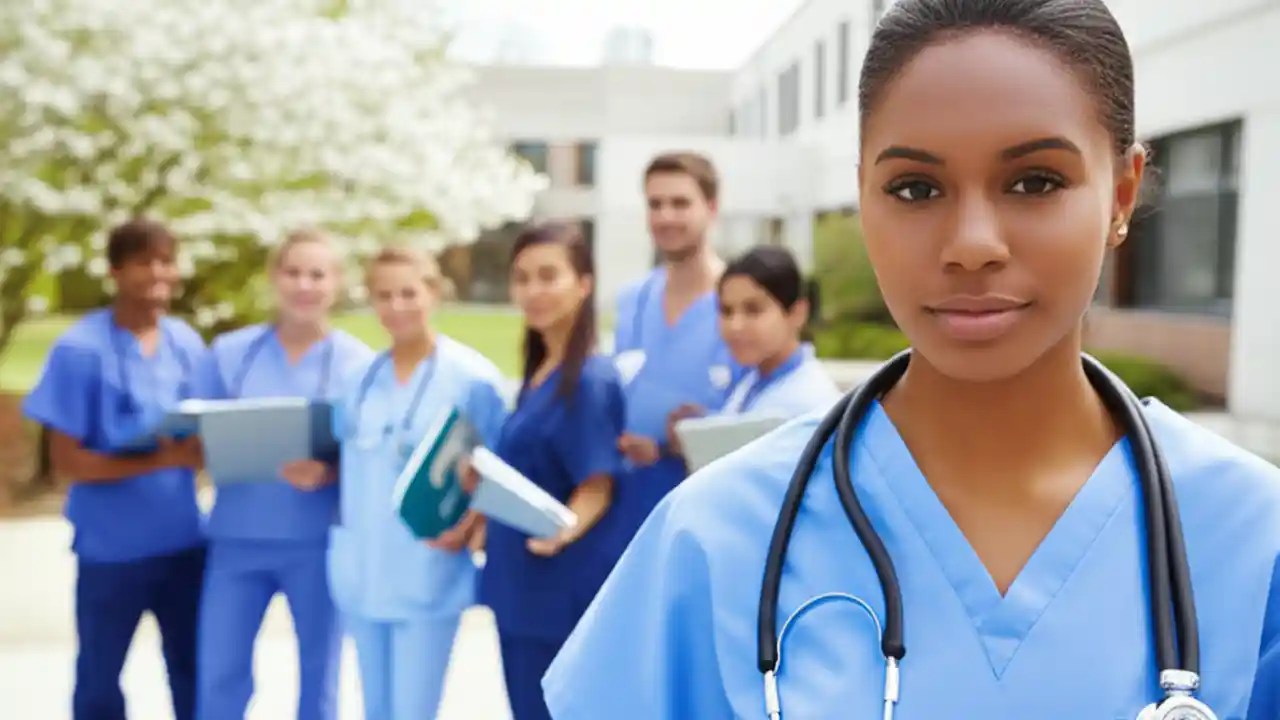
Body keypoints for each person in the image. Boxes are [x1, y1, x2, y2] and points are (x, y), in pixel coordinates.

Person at [542, 1, 1280, 718]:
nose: (972, 243)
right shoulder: (715, 538)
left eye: (1035, 182)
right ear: (864, 196)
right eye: (915, 188)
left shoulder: (1253, 535)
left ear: (1121, 193)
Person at [24, 219, 206, 720]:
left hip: (184, 544)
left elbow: (206, 434)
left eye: (167, 261)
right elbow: (67, 464)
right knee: (99, 683)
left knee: (194, 675)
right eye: (144, 261)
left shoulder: (185, 344)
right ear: (115, 271)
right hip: (111, 551)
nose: (158, 273)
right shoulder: (80, 350)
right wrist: (162, 458)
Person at [194, 230, 373, 720]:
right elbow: (194, 437)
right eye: (293, 272)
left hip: (316, 543)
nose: (304, 285)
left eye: (317, 274)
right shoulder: (230, 354)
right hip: (235, 541)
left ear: (336, 283)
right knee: (220, 675)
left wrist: (330, 470)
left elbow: (369, 453)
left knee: (320, 678)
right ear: (275, 278)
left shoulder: (358, 365)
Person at [327, 246, 508, 720]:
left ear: (434, 292)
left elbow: (500, 473)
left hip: (427, 569)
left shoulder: (472, 379)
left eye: (409, 292)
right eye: (383, 295)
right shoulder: (357, 380)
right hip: (362, 568)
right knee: (375, 710)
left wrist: (470, 527)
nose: (396, 306)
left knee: (413, 712)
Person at [477, 222, 625, 720]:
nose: (533, 291)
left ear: (584, 284)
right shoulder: (541, 371)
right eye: (522, 279)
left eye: (548, 276)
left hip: (555, 590)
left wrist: (560, 534)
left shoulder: (589, 379)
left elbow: (597, 485)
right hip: (519, 585)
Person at [604, 152, 742, 560]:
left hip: (709, 507)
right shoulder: (633, 300)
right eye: (655, 204)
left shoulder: (739, 303)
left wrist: (682, 442)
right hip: (629, 508)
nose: (666, 216)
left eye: (680, 203)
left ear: (712, 208)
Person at [664, 245, 840, 459]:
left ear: (797, 313)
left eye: (753, 310)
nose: (735, 326)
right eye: (726, 311)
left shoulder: (810, 403)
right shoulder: (754, 379)